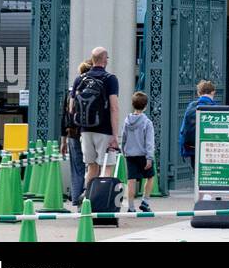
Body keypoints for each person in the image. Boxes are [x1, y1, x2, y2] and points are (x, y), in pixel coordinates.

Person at [71, 47, 122, 192]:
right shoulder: (110, 79)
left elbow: (71, 108)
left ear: (92, 59)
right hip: (104, 130)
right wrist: (115, 135)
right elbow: (114, 108)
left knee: (92, 167)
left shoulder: (80, 79)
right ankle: (102, 205)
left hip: (85, 130)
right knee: (107, 168)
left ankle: (87, 203)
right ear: (105, 60)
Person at [59, 60, 91, 206]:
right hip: (90, 133)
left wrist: (63, 141)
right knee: (92, 166)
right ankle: (89, 199)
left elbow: (64, 116)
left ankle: (77, 202)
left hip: (72, 133)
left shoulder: (71, 92)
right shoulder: (93, 90)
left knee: (77, 168)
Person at [119, 91, 156, 213]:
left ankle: (131, 206)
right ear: (145, 106)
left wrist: (123, 149)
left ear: (133, 105)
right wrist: (150, 157)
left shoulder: (127, 121)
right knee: (150, 177)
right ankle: (145, 202)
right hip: (143, 155)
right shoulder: (147, 122)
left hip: (130, 155)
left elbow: (123, 137)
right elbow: (149, 142)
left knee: (131, 181)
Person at [179, 80, 218, 170]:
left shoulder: (192, 106)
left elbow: (184, 128)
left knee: (197, 174)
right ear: (213, 92)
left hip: (193, 148)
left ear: (198, 93)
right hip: (211, 149)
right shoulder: (215, 108)